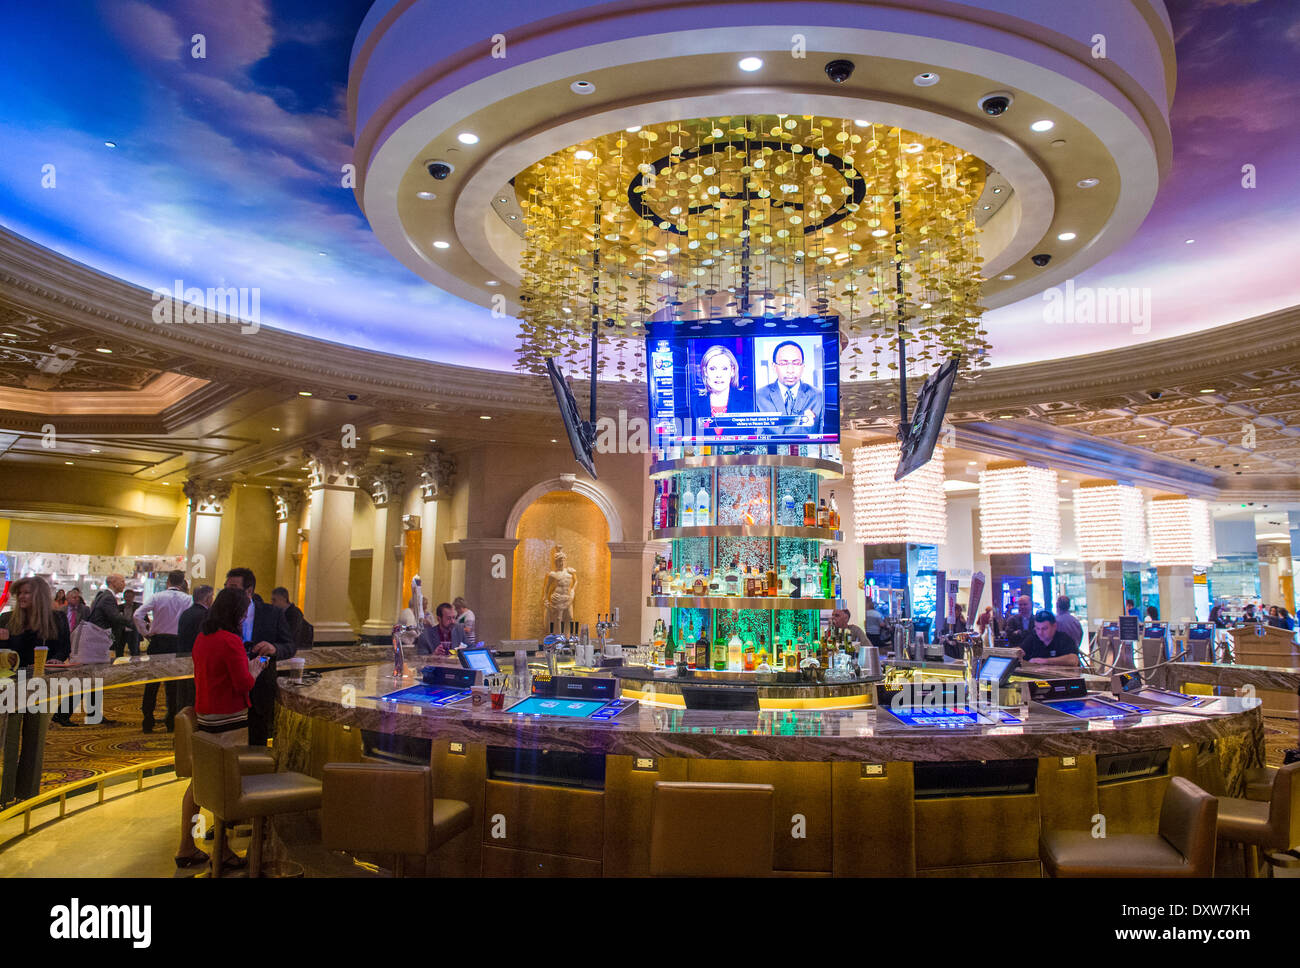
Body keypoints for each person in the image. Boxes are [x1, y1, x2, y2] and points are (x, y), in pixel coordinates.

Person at [179, 586, 259, 872]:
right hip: (229, 720)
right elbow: (243, 683)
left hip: (206, 716)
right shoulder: (230, 641)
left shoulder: (203, 637)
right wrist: (256, 669)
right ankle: (222, 850)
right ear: (237, 613)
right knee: (224, 785)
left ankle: (186, 846)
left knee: (201, 782)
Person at [0, 577, 70, 804]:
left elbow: (63, 649)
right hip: (11, 685)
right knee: (9, 740)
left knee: (35, 738)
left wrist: (57, 660)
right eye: (19, 593)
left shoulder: (56, 619)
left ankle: (28, 794)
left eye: (27, 593)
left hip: (42, 684)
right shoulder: (6, 619)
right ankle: (5, 792)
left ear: (38, 595)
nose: (21, 597)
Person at [224, 568, 294, 747]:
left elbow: (290, 646)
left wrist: (274, 648)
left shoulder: (272, 614)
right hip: (230, 685)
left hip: (260, 685)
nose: (228, 591)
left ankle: (256, 773)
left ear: (249, 590)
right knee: (228, 740)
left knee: (258, 738)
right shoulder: (222, 615)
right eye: (226, 587)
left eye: (233, 587)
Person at [134, 570, 193, 734]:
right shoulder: (188, 599)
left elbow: (137, 614)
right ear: (182, 583)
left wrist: (145, 632)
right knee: (173, 685)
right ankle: (171, 721)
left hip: (158, 642)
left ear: (168, 581)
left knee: (152, 683)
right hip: (176, 643)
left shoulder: (157, 596)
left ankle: (148, 720)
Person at [754, 340, 823, 431]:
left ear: (803, 366)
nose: (790, 370)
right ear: (774, 367)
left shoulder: (818, 397)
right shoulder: (759, 397)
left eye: (796, 363)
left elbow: (824, 438)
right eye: (784, 363)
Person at [176, 584, 213, 714]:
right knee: (193, 694)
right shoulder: (206, 615)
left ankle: (180, 721)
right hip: (196, 660)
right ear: (208, 598)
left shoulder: (186, 613)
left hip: (182, 657)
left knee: (182, 694)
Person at [693, 345, 745, 430]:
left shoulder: (749, 401)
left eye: (724, 369)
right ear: (705, 372)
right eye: (713, 369)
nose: (718, 375)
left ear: (732, 371)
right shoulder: (693, 403)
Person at [86, 574, 132, 660]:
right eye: (122, 581)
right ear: (113, 583)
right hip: (101, 638)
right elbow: (115, 617)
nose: (124, 584)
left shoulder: (104, 595)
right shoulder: (108, 598)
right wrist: (135, 624)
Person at [1015, 610, 1081, 668]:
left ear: (1054, 626)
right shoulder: (1033, 638)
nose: (1040, 632)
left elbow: (1073, 659)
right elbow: (1020, 650)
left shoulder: (1063, 639)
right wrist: (1017, 653)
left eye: (1044, 628)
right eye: (1037, 628)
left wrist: (1045, 661)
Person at [270, 587, 312, 652]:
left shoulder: (295, 613)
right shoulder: (279, 613)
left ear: (283, 598)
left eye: (274, 600)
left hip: (296, 650)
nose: (272, 603)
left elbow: (289, 634)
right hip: (286, 648)